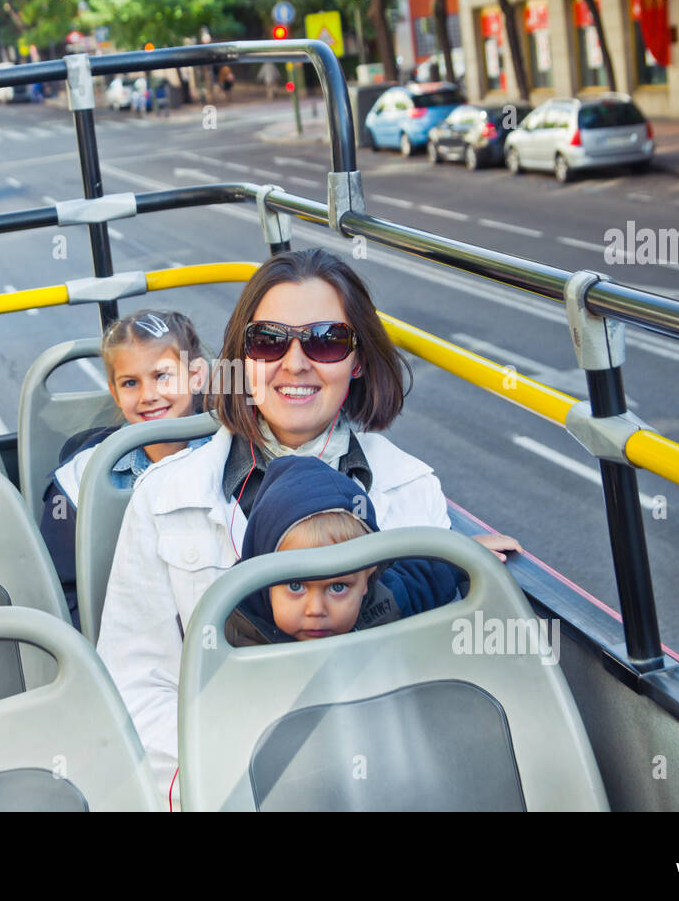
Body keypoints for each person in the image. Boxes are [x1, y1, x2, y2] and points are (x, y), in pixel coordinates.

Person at [96, 247, 521, 808]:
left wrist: (450, 560)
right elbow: (136, 678)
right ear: (244, 359)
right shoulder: (165, 495)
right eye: (270, 341)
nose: (294, 363)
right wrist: (206, 787)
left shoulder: (409, 488)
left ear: (359, 360)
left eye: (325, 341)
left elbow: (435, 673)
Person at [38, 310, 210, 627]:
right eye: (130, 383)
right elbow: (61, 593)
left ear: (196, 376)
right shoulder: (82, 480)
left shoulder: (236, 457)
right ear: (115, 392)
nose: (148, 395)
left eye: (162, 376)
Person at [225, 454, 465, 646]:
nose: (316, 610)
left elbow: (426, 576)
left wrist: (462, 551)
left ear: (367, 576)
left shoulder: (382, 601)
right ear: (263, 580)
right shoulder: (237, 630)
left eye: (338, 587)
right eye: (295, 586)